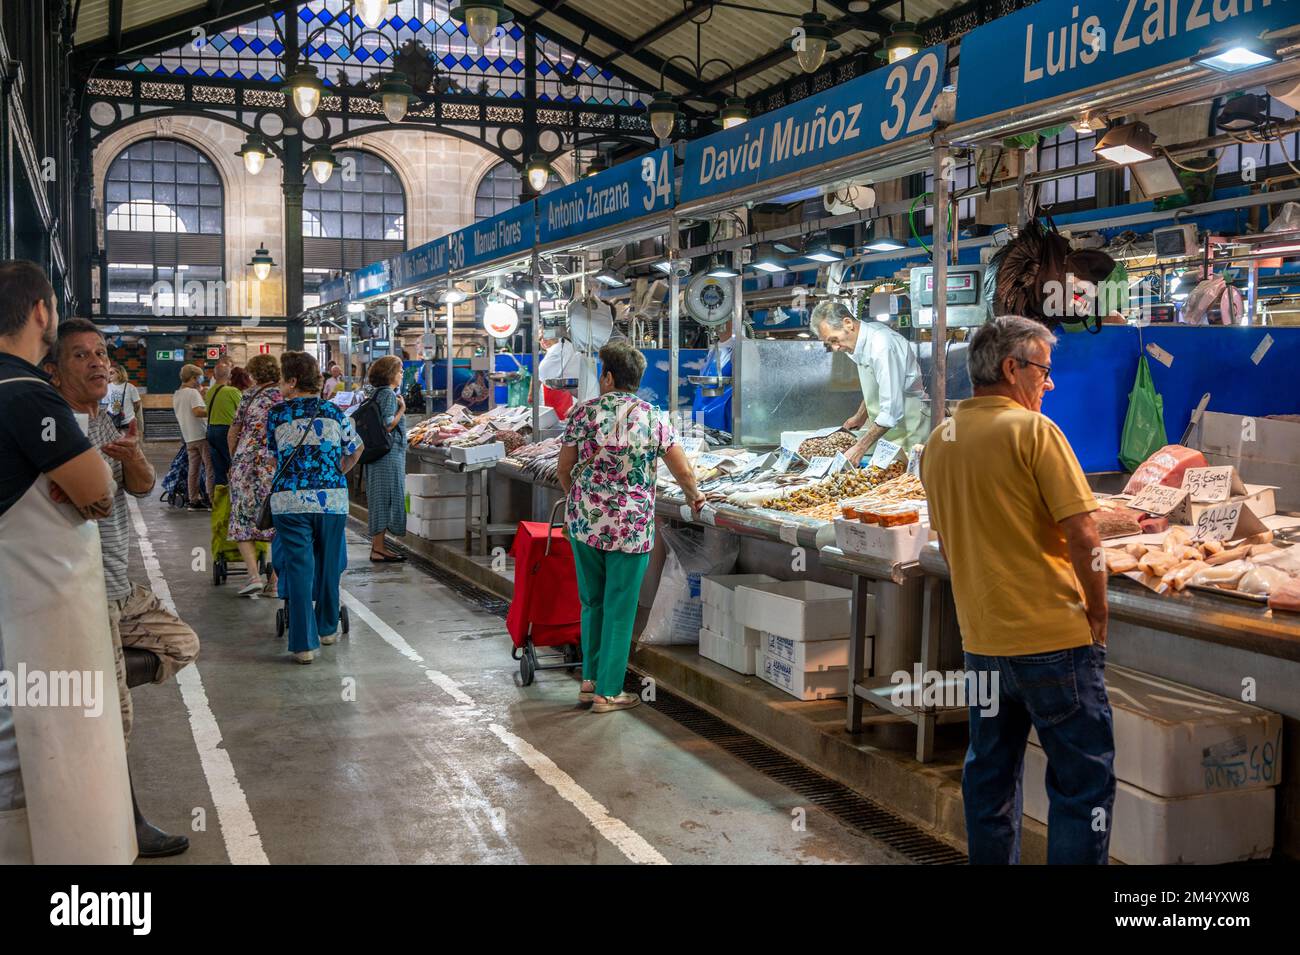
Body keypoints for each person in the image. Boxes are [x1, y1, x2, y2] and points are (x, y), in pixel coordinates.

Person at [920, 315, 1113, 865]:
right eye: (1043, 371)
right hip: (1053, 638)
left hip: (983, 643)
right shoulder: (1034, 432)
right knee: (1081, 788)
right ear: (1012, 368)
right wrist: (1097, 617)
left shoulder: (939, 442)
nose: (1048, 384)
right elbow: (1084, 533)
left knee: (989, 781)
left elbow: (951, 536)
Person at [46, 318, 200, 858]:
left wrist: (134, 459)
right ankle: (122, 827)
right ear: (55, 370)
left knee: (181, 644)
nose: (96, 363)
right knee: (118, 726)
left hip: (121, 586)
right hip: (87, 594)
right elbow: (88, 503)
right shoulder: (57, 427)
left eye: (100, 354)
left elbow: (140, 489)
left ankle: (86, 692)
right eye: (81, 356)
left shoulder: (104, 422)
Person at [0, 260, 131, 864]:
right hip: (37, 617)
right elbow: (98, 494)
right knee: (31, 759)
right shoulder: (28, 397)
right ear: (41, 313)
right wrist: (94, 473)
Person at [557, 341, 705, 713]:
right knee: (620, 607)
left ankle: (589, 683)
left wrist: (582, 499)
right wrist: (695, 499)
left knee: (591, 602)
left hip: (586, 523)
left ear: (608, 377)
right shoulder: (654, 419)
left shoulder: (583, 414)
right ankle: (609, 691)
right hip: (630, 526)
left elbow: (564, 467)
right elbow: (683, 471)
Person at [267, 352, 363, 664]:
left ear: (293, 381)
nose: (281, 385)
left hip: (289, 503)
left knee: (298, 568)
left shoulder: (277, 415)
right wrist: (337, 472)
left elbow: (272, 459)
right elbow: (356, 447)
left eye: (283, 378)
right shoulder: (335, 413)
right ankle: (326, 629)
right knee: (330, 563)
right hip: (331, 501)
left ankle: (304, 645)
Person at [811, 300, 931, 464]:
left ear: (848, 323)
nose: (835, 348)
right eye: (829, 343)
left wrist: (860, 448)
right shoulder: (861, 340)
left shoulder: (881, 345)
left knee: (909, 485)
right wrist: (860, 416)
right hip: (890, 432)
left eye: (834, 340)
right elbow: (880, 386)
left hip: (911, 429)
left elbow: (891, 413)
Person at [227, 353, 283, 597]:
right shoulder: (284, 397)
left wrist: (235, 458)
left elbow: (233, 432)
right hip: (273, 463)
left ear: (253, 374)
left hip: (245, 462)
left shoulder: (248, 396)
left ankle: (253, 576)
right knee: (275, 519)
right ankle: (275, 582)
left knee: (241, 517)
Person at [365, 355, 408, 563]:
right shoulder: (389, 395)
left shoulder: (377, 393)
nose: (402, 375)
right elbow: (388, 424)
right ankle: (379, 549)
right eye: (400, 371)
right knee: (385, 497)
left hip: (378, 455)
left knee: (379, 498)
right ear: (391, 373)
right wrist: (402, 410)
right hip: (387, 457)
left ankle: (378, 546)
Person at [173, 363, 211, 509]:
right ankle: (210, 498)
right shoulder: (192, 393)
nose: (201, 380)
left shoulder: (177, 394)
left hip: (189, 436)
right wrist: (213, 409)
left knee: (193, 469)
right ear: (194, 378)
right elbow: (197, 412)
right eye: (199, 377)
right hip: (201, 435)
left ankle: (193, 500)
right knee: (209, 468)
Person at [204, 355, 240, 488]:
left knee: (218, 468)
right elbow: (243, 410)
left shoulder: (209, 392)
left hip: (211, 430)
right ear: (229, 376)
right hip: (226, 431)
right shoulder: (232, 391)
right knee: (231, 464)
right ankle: (232, 498)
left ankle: (220, 503)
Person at [103, 364, 141, 428]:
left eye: (111, 373)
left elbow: (137, 404)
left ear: (119, 373)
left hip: (128, 423)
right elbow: (105, 405)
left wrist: (129, 413)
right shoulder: (107, 387)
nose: (109, 375)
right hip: (112, 422)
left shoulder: (130, 387)